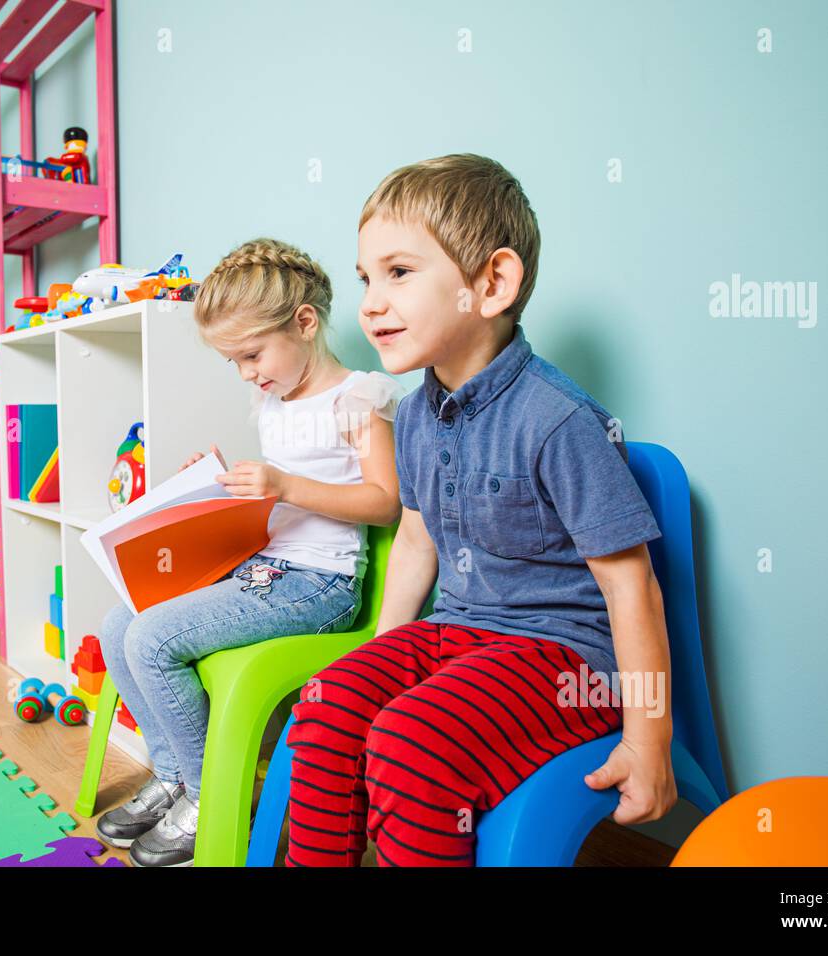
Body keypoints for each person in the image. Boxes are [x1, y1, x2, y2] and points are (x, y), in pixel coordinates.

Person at [284, 154, 678, 866]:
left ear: (490, 284)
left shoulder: (558, 420)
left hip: (565, 660)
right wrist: (377, 658)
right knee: (325, 704)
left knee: (410, 743)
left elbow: (632, 586)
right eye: (366, 278)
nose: (370, 302)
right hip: (458, 633)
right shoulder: (411, 418)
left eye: (399, 272)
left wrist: (648, 743)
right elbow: (414, 541)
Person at [95, 237, 404, 866]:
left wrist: (285, 485)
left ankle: (209, 798)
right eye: (233, 361)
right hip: (264, 568)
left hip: (320, 585)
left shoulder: (355, 400)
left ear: (306, 323)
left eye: (252, 354)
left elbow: (386, 502)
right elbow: (271, 497)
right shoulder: (271, 400)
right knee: (118, 622)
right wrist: (218, 481)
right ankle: (176, 774)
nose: (246, 373)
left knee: (153, 640)